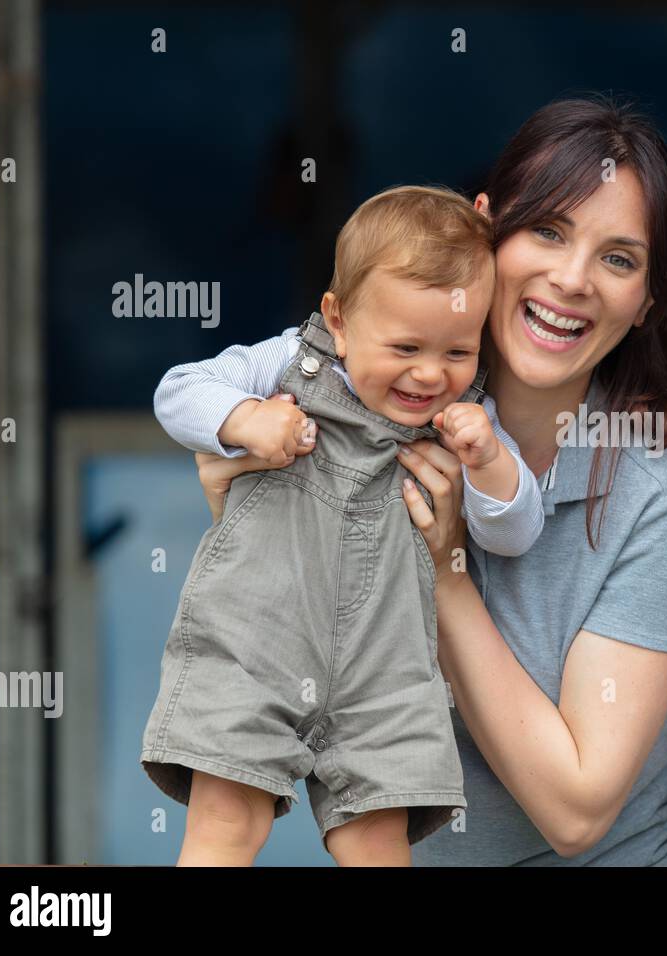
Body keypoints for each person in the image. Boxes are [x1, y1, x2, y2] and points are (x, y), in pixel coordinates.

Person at [194, 96, 667, 865]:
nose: (572, 278)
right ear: (484, 229)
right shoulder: (337, 421)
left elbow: (576, 813)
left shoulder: (663, 493)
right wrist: (254, 512)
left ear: (645, 299)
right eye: (547, 230)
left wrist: (444, 571)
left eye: (618, 258)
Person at [142, 185, 545, 866]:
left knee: (377, 841)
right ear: (340, 320)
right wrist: (245, 420)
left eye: (458, 353)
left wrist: (491, 464)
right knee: (225, 821)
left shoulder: (470, 423)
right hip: (254, 639)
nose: (429, 374)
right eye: (406, 346)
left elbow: (514, 533)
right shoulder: (290, 364)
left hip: (386, 668)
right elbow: (177, 391)